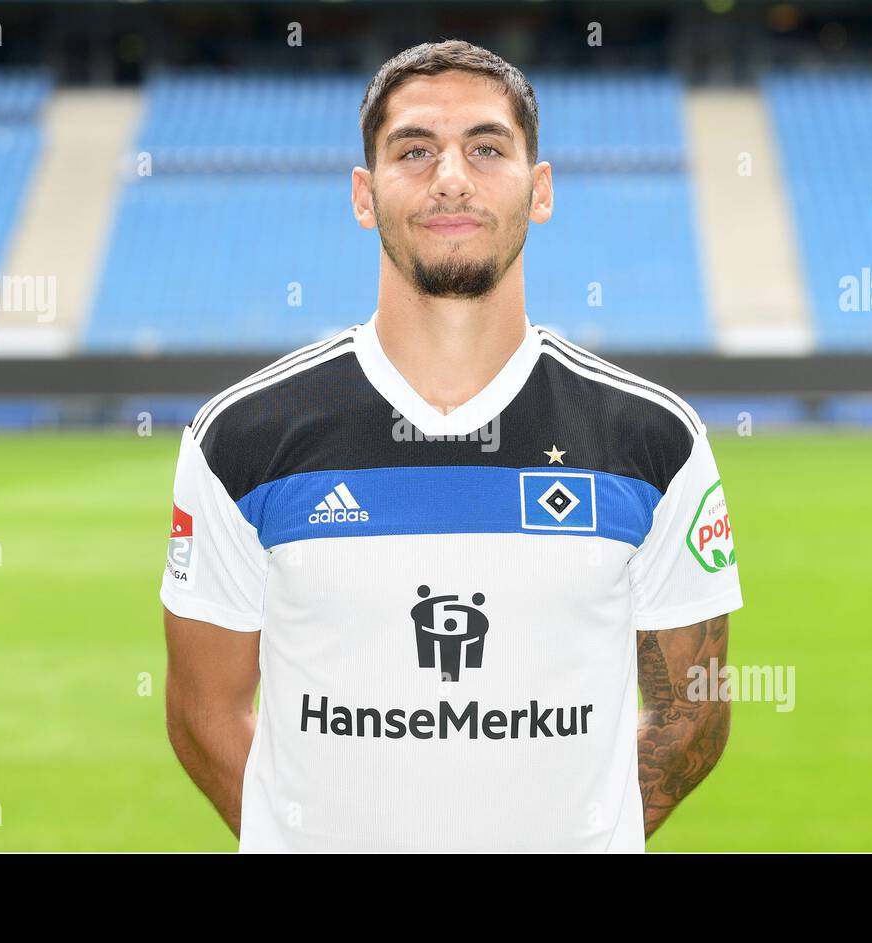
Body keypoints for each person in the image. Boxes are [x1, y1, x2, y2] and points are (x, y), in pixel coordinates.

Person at [161, 39, 742, 852]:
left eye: (487, 147)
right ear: (364, 196)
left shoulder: (652, 439)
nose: (451, 177)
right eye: (414, 150)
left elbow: (694, 714)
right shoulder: (244, 438)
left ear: (540, 191)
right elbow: (202, 709)